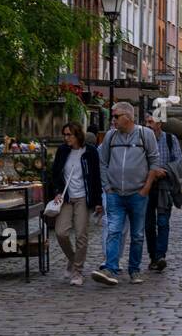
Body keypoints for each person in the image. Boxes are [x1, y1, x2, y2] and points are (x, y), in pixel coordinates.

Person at [95, 102, 162, 287]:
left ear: (128, 117)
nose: (113, 120)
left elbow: (154, 161)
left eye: (116, 116)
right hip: (115, 193)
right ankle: (110, 268)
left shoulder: (144, 134)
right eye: (113, 117)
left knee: (138, 234)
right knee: (114, 231)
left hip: (137, 194)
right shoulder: (111, 136)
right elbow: (103, 162)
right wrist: (107, 187)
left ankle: (134, 270)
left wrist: (146, 188)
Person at [49, 122, 103, 286]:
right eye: (64, 134)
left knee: (81, 234)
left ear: (77, 135)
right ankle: (73, 259)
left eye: (69, 135)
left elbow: (95, 177)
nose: (66, 138)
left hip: (82, 198)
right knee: (61, 232)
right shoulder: (62, 151)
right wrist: (58, 191)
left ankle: (78, 271)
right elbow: (55, 174)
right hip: (66, 197)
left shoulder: (90, 152)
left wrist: (98, 202)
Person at [144, 112, 182, 272]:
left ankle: (160, 256)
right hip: (146, 185)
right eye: (146, 121)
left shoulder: (170, 139)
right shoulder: (143, 139)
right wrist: (152, 172)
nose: (147, 125)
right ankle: (153, 256)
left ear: (159, 124)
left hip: (164, 185)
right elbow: (138, 159)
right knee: (148, 224)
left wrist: (164, 170)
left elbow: (178, 160)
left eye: (151, 122)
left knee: (163, 222)